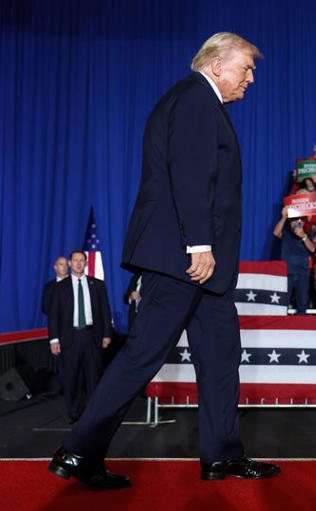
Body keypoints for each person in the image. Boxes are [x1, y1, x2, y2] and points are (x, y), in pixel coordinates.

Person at [49, 33, 280, 490]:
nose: (251, 78)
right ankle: (79, 451)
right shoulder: (195, 99)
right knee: (142, 356)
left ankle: (221, 455)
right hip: (185, 261)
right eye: (246, 68)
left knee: (220, 358)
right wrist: (198, 244)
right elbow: (191, 177)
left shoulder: (197, 102)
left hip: (200, 269)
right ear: (217, 65)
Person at [47, 250, 112, 424]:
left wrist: (106, 334)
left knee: (94, 377)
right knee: (71, 377)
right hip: (70, 338)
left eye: (81, 260)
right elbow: (53, 315)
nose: (78, 264)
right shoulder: (60, 287)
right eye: (75, 261)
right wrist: (54, 339)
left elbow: (105, 311)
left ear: (85, 263)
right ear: (70, 263)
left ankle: (93, 414)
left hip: (93, 336)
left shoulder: (97, 284)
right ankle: (74, 413)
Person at [274, 207, 315, 314]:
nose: (296, 223)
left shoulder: (308, 234)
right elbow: (276, 232)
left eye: (298, 221)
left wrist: (303, 236)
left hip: (303, 274)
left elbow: (312, 249)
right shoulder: (286, 234)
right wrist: (284, 217)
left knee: (302, 304)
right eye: (293, 221)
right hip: (287, 273)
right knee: (284, 302)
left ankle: (301, 327)